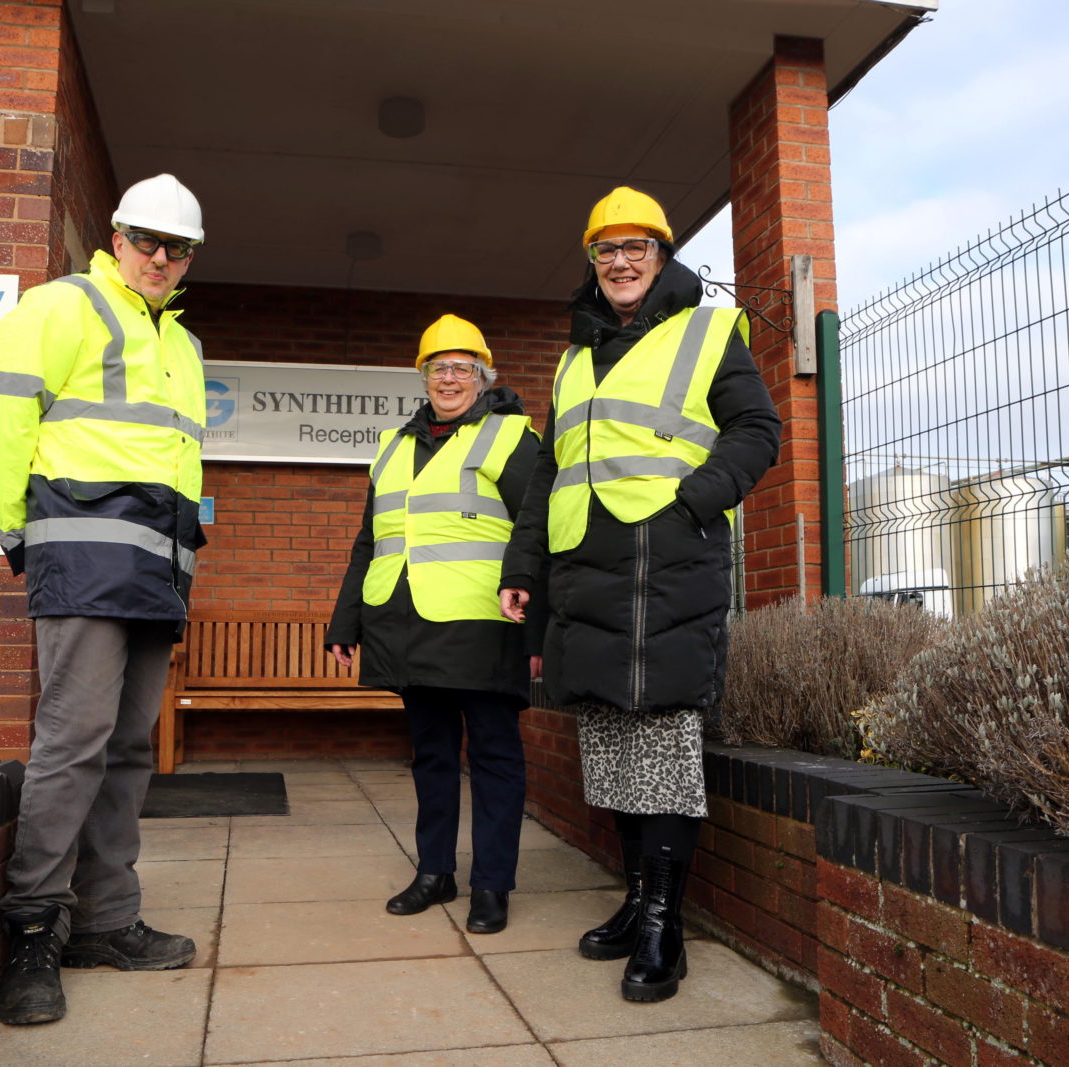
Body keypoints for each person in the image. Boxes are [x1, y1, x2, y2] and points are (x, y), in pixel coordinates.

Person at [499, 187, 781, 1002]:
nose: (620, 263)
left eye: (636, 249)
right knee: (615, 748)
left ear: (661, 257)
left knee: (661, 750)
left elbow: (757, 430)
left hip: (668, 571)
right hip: (587, 571)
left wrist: (694, 499)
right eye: (605, 250)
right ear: (592, 263)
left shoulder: (706, 332)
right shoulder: (574, 355)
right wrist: (525, 570)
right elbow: (550, 471)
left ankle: (666, 925)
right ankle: (635, 902)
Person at [0, 173, 210, 1026]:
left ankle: (105, 921)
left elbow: (176, 467)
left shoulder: (182, 346)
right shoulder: (61, 306)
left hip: (155, 575)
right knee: (72, 743)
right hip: (80, 562)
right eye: (146, 239)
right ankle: (36, 925)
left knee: (128, 749)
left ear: (189, 261)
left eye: (175, 247)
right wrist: (14, 533)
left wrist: (184, 566)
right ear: (116, 236)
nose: (158, 256)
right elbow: (0, 418)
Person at [326, 314, 541, 935]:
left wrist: (537, 631)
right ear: (423, 378)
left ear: (483, 376)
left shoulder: (510, 436)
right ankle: (435, 872)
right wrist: (347, 621)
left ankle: (492, 884)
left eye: (461, 368)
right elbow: (372, 539)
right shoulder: (394, 446)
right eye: (437, 368)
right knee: (432, 756)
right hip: (406, 622)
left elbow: (536, 535)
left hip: (485, 623)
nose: (449, 378)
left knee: (496, 756)